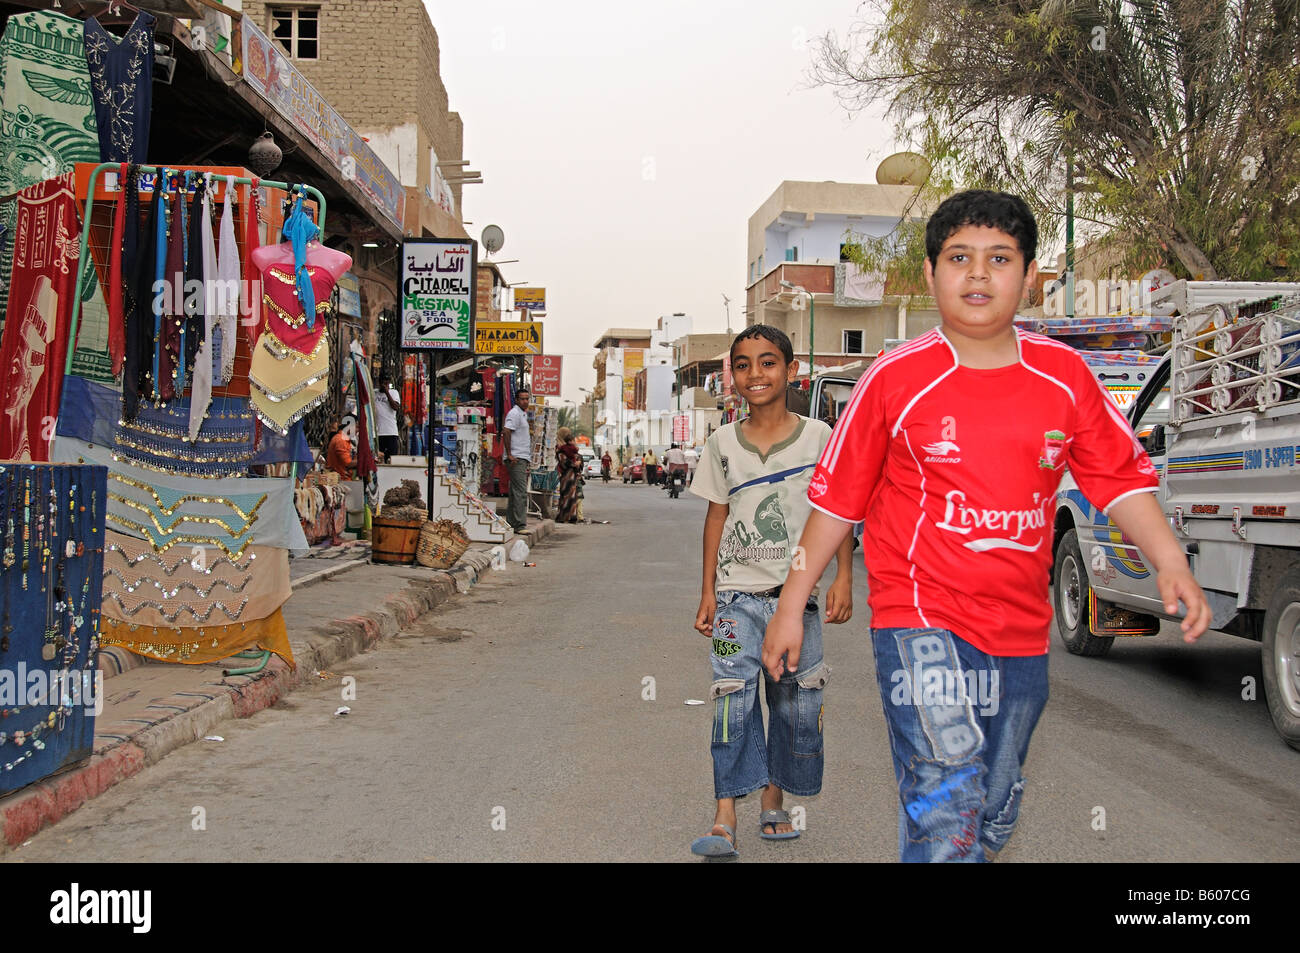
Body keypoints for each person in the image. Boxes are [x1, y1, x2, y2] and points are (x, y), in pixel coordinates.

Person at [762, 190, 1211, 863]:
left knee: (990, 806)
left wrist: (1170, 561)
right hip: (919, 619)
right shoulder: (894, 380)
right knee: (946, 790)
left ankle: (975, 832)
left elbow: (1120, 476)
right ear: (933, 272)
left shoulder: (1065, 378)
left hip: (1020, 636)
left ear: (1029, 276)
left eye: (999, 258)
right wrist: (790, 606)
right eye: (959, 258)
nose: (978, 274)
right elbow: (836, 503)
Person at [688, 324, 855, 858]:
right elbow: (716, 518)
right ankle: (723, 812)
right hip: (736, 601)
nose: (754, 374)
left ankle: (773, 801)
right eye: (743, 365)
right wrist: (708, 589)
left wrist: (844, 577)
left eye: (767, 363)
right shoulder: (720, 444)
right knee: (730, 702)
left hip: (796, 602)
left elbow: (838, 513)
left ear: (790, 371)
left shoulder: (821, 439)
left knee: (791, 705)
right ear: (731, 375)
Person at [502, 387, 532, 535]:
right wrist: (510, 454)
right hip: (516, 458)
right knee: (520, 492)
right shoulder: (514, 413)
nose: (525, 401)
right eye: (522, 399)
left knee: (515, 492)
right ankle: (520, 524)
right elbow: (506, 431)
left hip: (521, 457)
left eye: (527, 398)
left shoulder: (522, 414)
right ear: (517, 400)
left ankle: (511, 524)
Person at [372, 373, 402, 463]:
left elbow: (395, 407)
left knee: (391, 460)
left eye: (386, 383)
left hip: (390, 432)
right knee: (378, 460)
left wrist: (387, 392)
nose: (384, 385)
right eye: (382, 383)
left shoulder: (394, 392)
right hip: (378, 433)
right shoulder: (374, 393)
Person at [555, 426, 581, 524]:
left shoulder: (568, 447)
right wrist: (575, 464)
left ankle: (571, 516)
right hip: (566, 475)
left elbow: (578, 457)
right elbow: (564, 461)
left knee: (571, 495)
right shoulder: (560, 447)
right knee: (566, 495)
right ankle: (564, 516)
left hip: (571, 475)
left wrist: (578, 462)